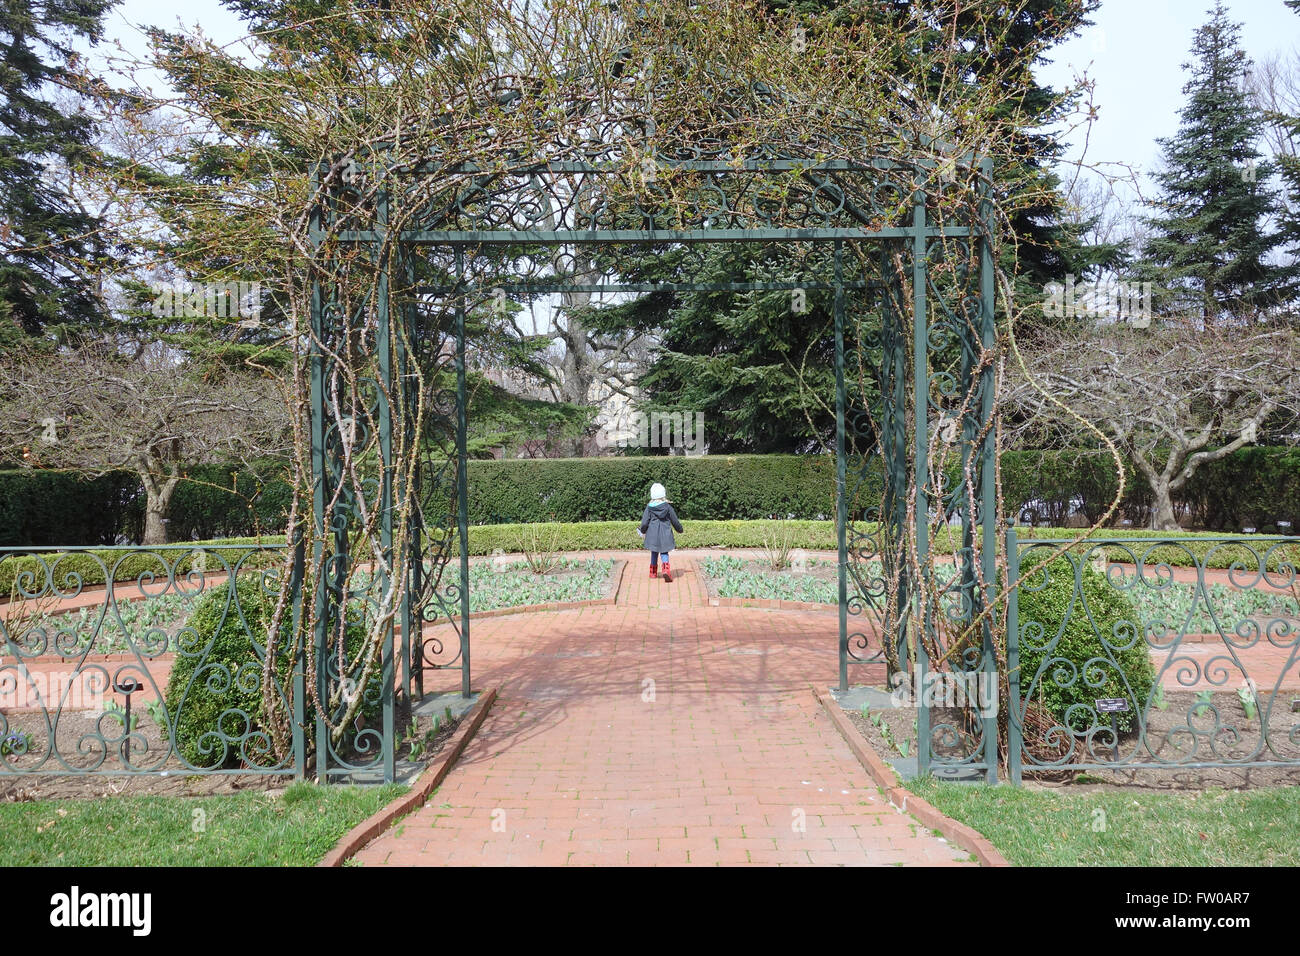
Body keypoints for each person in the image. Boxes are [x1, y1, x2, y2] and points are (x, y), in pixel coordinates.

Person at [638, 482, 683, 582]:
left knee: (654, 551)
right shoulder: (667, 507)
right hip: (665, 533)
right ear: (663, 495)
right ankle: (666, 569)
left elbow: (645, 522)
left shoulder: (649, 508)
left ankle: (653, 572)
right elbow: (674, 520)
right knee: (664, 552)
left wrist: (642, 530)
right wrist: (679, 529)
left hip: (652, 534)